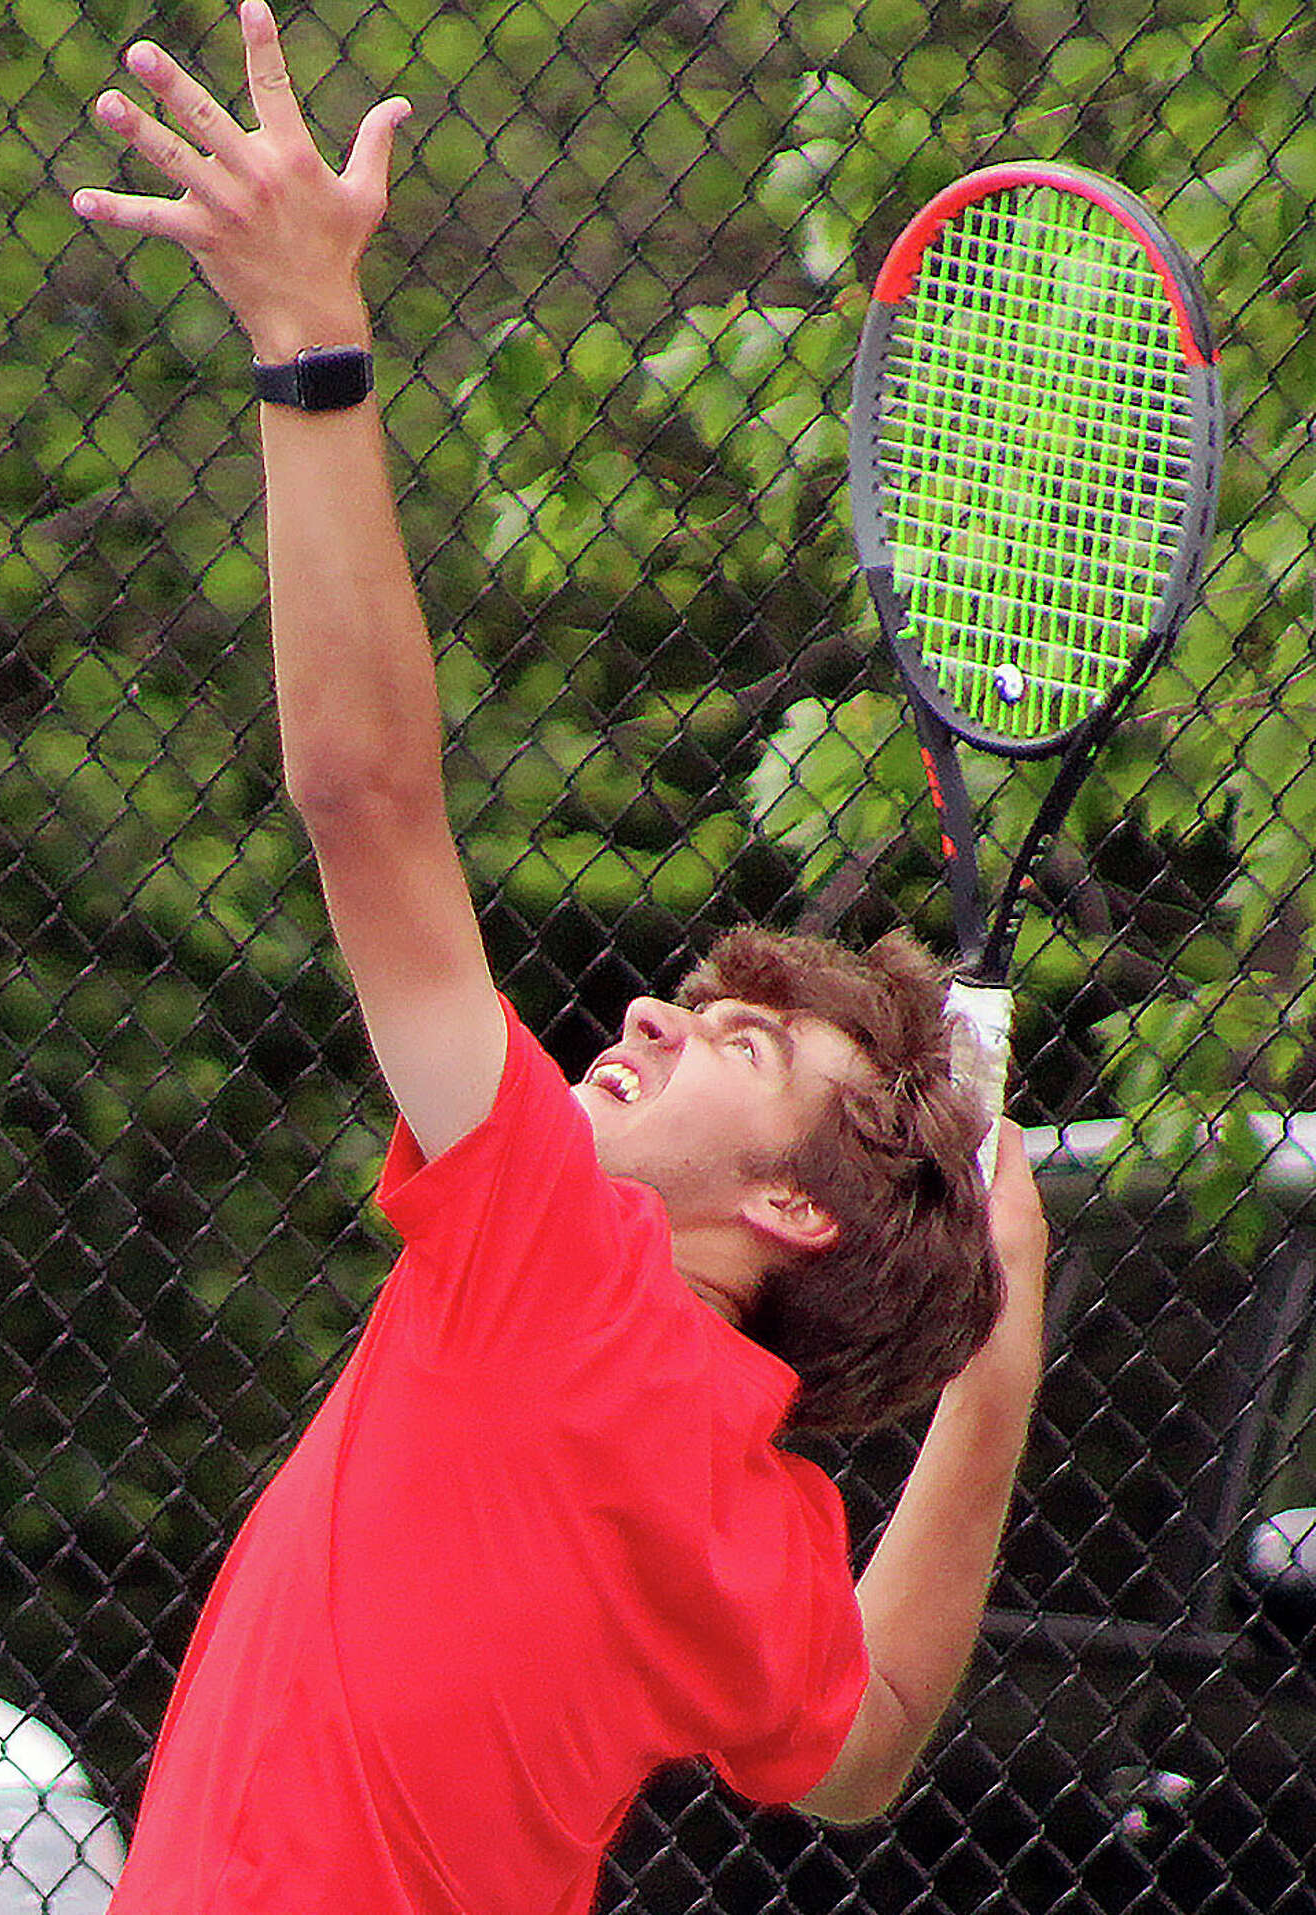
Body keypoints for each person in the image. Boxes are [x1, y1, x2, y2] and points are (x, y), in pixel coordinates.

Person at [73, 9, 1049, 1909]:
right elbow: (864, 1741)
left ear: (789, 1216)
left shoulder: (563, 1273)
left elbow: (363, 792)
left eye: (744, 1043)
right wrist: (996, 1383)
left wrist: (309, 343)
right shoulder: (747, 1524)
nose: (663, 1015)